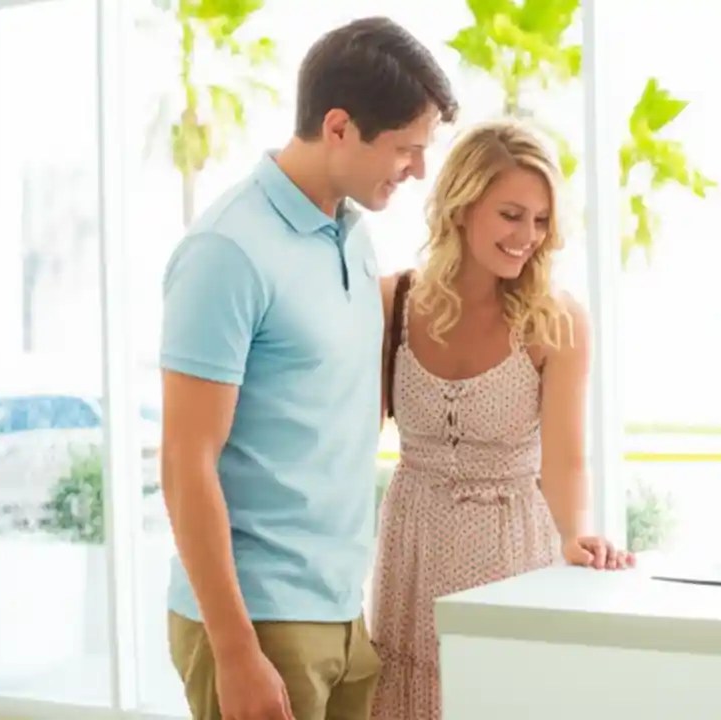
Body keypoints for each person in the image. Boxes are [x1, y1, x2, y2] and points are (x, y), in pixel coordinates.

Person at [159, 17, 457, 720]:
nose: (417, 170)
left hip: (341, 611)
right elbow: (184, 462)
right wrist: (235, 652)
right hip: (258, 620)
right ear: (339, 127)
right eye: (406, 149)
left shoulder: (352, 235)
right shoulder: (228, 250)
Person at [368, 120, 634, 720]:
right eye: (511, 215)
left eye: (540, 221)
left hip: (510, 551)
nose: (527, 237)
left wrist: (575, 534)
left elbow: (565, 461)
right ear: (462, 207)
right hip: (411, 544)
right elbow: (355, 434)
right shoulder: (393, 302)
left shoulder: (555, 321)